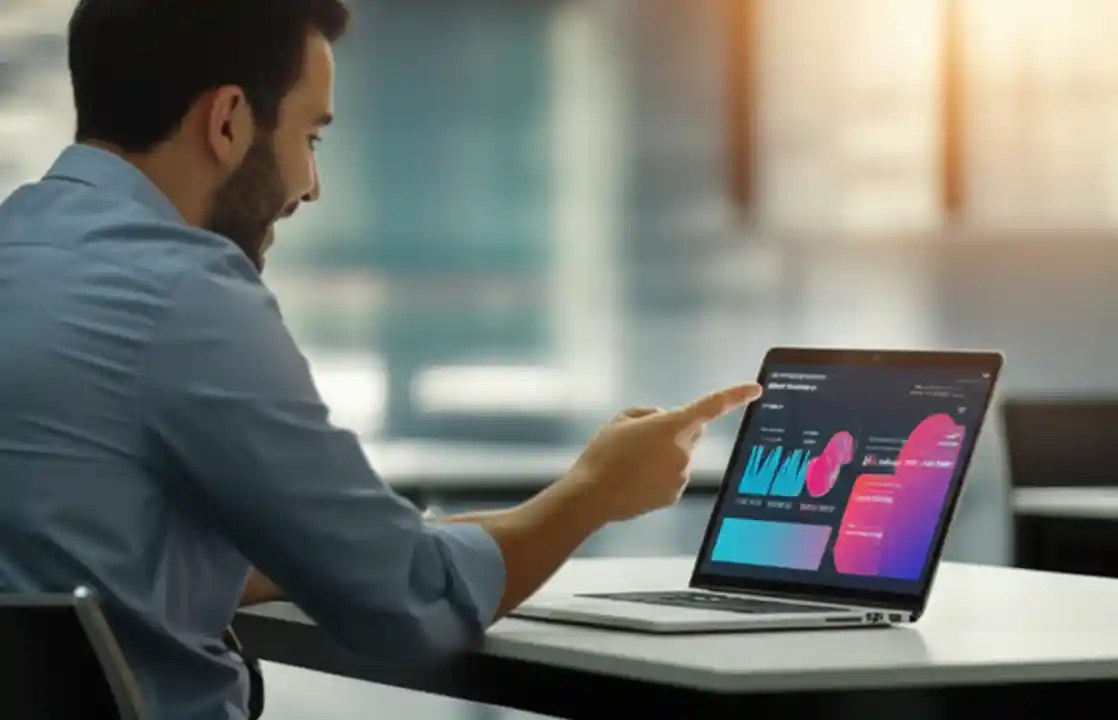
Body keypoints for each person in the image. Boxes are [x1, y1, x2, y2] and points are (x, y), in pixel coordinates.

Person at [0, 1, 762, 718]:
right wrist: (597, 492)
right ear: (228, 121)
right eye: (310, 137)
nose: (311, 184)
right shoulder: (183, 294)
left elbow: (103, 548)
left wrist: (389, 541)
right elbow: (408, 603)